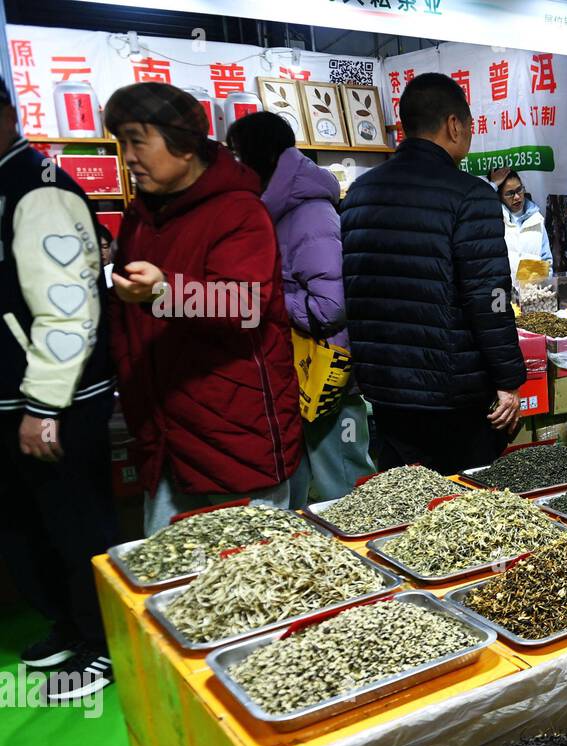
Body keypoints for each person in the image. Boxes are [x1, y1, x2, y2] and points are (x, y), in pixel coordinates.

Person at [104, 83, 301, 535]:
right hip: (164, 431)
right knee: (167, 583)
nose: (129, 156)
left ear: (184, 142)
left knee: (258, 578)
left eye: (138, 140)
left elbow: (245, 304)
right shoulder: (141, 214)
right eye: (122, 142)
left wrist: (164, 292)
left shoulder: (239, 212)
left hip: (235, 430)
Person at [340, 73, 523, 474]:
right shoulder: (470, 195)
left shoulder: (359, 194)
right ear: (454, 125)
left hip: (385, 389)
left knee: (405, 502)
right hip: (454, 394)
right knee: (465, 507)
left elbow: (355, 291)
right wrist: (509, 380)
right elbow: (488, 299)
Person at [0, 82, 118, 699]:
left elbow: (69, 310)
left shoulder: (37, 187)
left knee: (78, 523)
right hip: (21, 394)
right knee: (35, 520)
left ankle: (104, 646)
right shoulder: (11, 180)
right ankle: (71, 625)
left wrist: (42, 404)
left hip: (56, 399)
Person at [227, 110, 373, 506]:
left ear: (261, 157)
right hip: (297, 369)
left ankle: (361, 561)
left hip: (327, 373)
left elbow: (329, 307)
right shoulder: (274, 210)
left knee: (342, 488)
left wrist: (268, 296)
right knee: (310, 487)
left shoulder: (308, 213)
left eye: (238, 155)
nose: (233, 165)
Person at [489, 167, 553, 282]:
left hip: (533, 295)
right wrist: (492, 185)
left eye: (519, 190)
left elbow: (546, 261)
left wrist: (540, 291)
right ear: (499, 196)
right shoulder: (493, 220)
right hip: (503, 295)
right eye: (510, 194)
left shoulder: (537, 219)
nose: (517, 197)